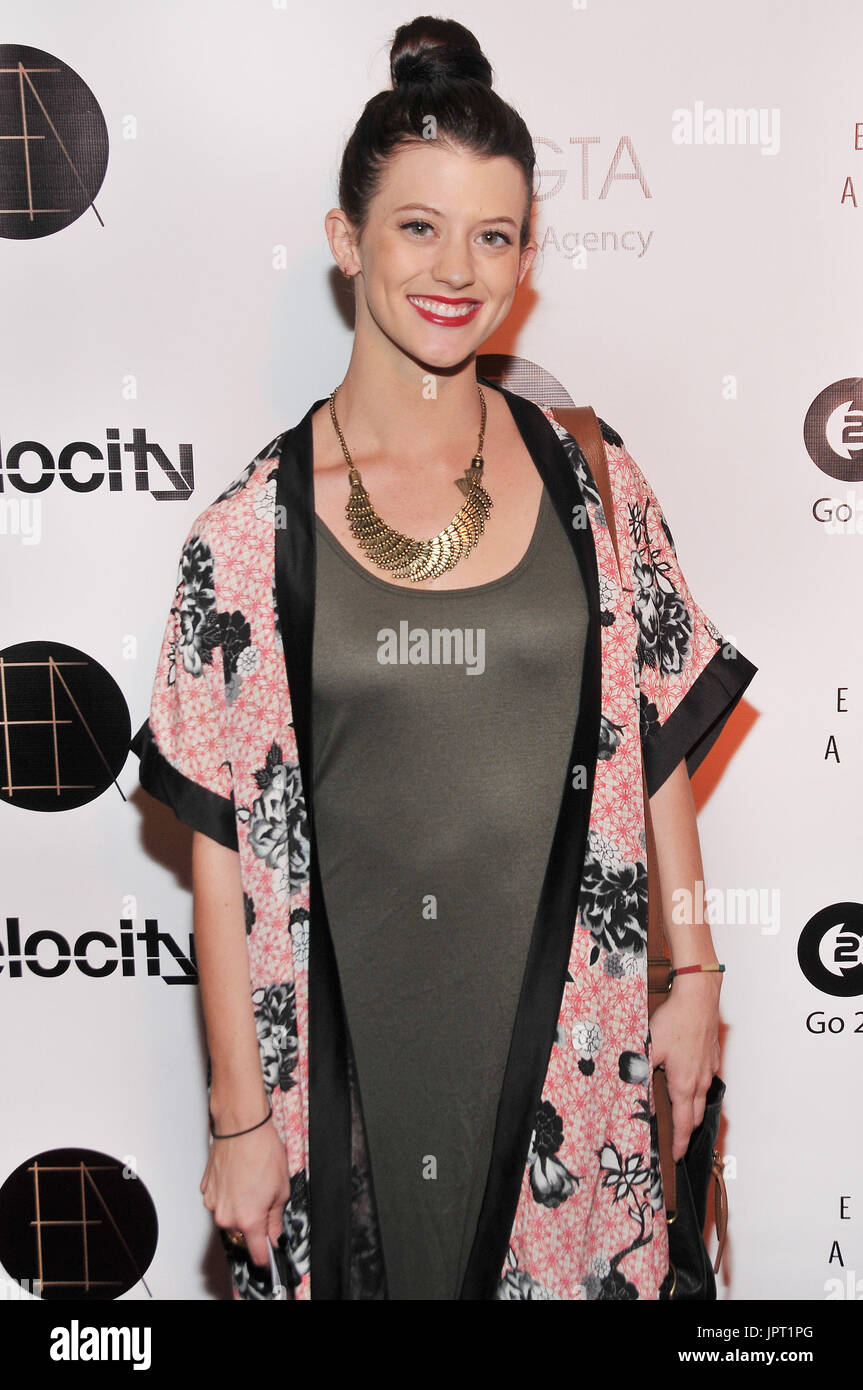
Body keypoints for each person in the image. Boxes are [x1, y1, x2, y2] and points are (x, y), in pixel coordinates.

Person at [130, 15, 757, 1300]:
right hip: (346, 1080)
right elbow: (221, 849)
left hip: (574, 1059)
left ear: (527, 255)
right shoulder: (249, 534)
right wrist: (239, 1119)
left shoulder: (588, 475)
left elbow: (652, 746)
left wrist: (691, 973)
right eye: (416, 226)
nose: (455, 268)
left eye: (493, 233)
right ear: (344, 240)